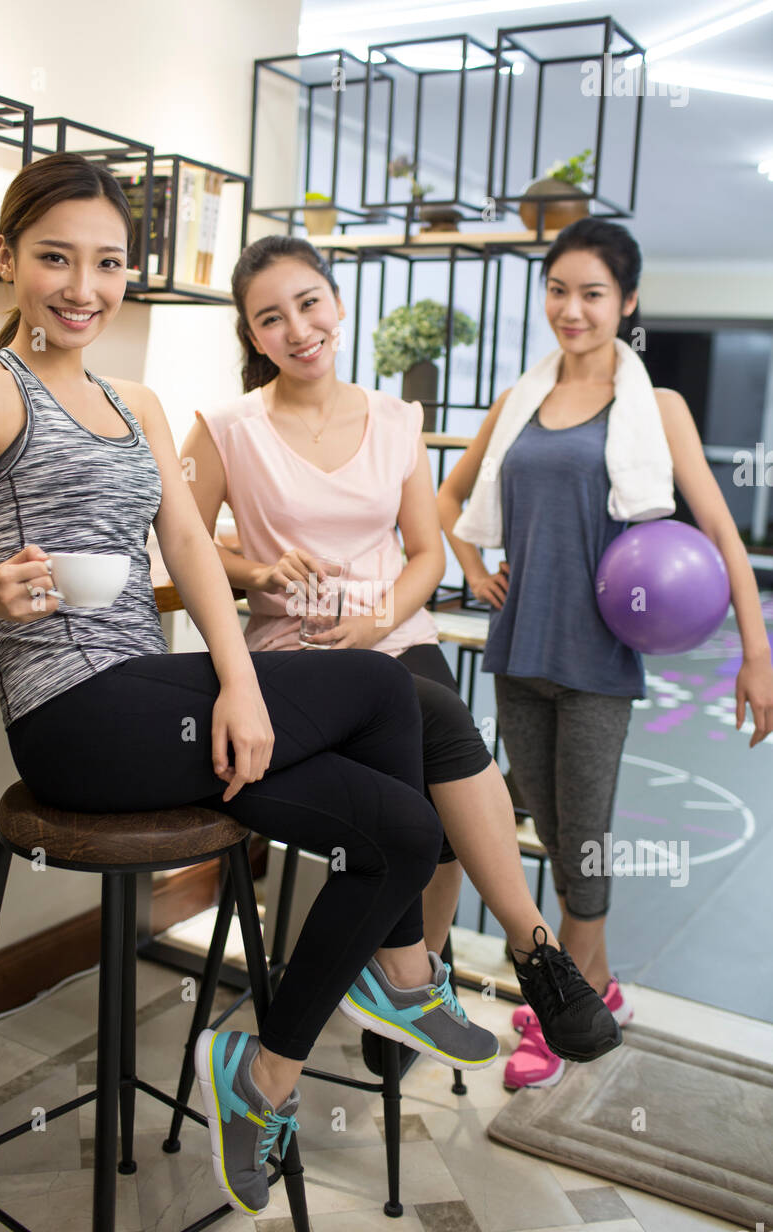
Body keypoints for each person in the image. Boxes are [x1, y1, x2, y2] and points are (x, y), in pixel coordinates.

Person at [0, 152, 508, 1219]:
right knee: (381, 691)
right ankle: (405, 976)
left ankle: (261, 1076)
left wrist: (240, 685)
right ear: (6, 261)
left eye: (105, 262)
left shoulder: (137, 402)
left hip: (157, 700)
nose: (81, 287)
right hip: (72, 718)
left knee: (403, 834)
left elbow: (188, 546)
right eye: (54, 258)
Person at [180, 233, 622, 1090]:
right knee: (440, 744)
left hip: (395, 637)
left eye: (310, 303)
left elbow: (425, 551)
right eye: (271, 318)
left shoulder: (394, 420)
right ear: (253, 334)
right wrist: (260, 570)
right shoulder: (226, 428)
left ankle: (423, 974)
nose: (298, 328)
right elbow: (185, 542)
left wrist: (380, 615)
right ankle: (480, 968)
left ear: (337, 305)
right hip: (293, 657)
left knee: (432, 762)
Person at [438, 216, 773, 1088]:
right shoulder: (525, 397)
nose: (572, 310)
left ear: (627, 303)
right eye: (558, 290)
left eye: (592, 294)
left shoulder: (655, 407)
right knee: (547, 830)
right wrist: (472, 565)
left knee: (581, 838)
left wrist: (757, 653)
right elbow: (445, 498)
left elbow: (720, 532)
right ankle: (598, 986)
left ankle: (568, 1004)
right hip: (519, 649)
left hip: (595, 659)